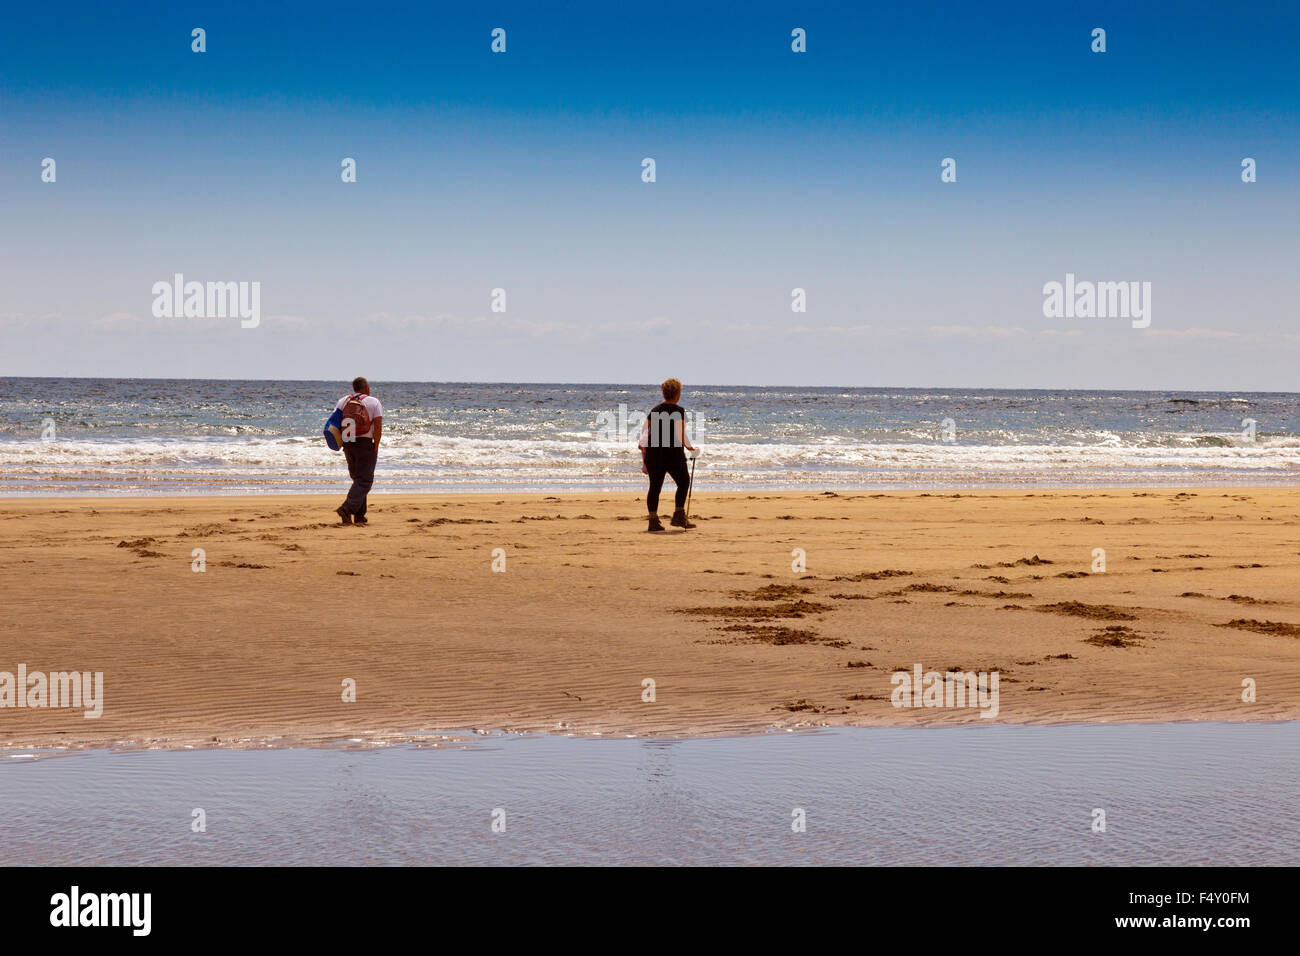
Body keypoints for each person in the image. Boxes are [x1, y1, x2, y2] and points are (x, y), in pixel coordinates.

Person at [641, 377, 696, 533]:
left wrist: (644, 453)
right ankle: (678, 515)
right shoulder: (679, 411)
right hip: (673, 454)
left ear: (664, 393)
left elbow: (645, 432)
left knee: (655, 487)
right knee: (684, 482)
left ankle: (653, 521)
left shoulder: (655, 410)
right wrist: (691, 448)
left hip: (654, 453)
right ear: (677, 394)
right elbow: (680, 434)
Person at [335, 377, 383, 526]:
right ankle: (346, 508)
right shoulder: (374, 402)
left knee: (358, 479)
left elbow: (335, 423)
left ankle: (360, 516)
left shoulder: (343, 401)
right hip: (365, 443)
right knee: (365, 480)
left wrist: (340, 443)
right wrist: (376, 445)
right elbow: (378, 426)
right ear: (366, 387)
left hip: (348, 441)